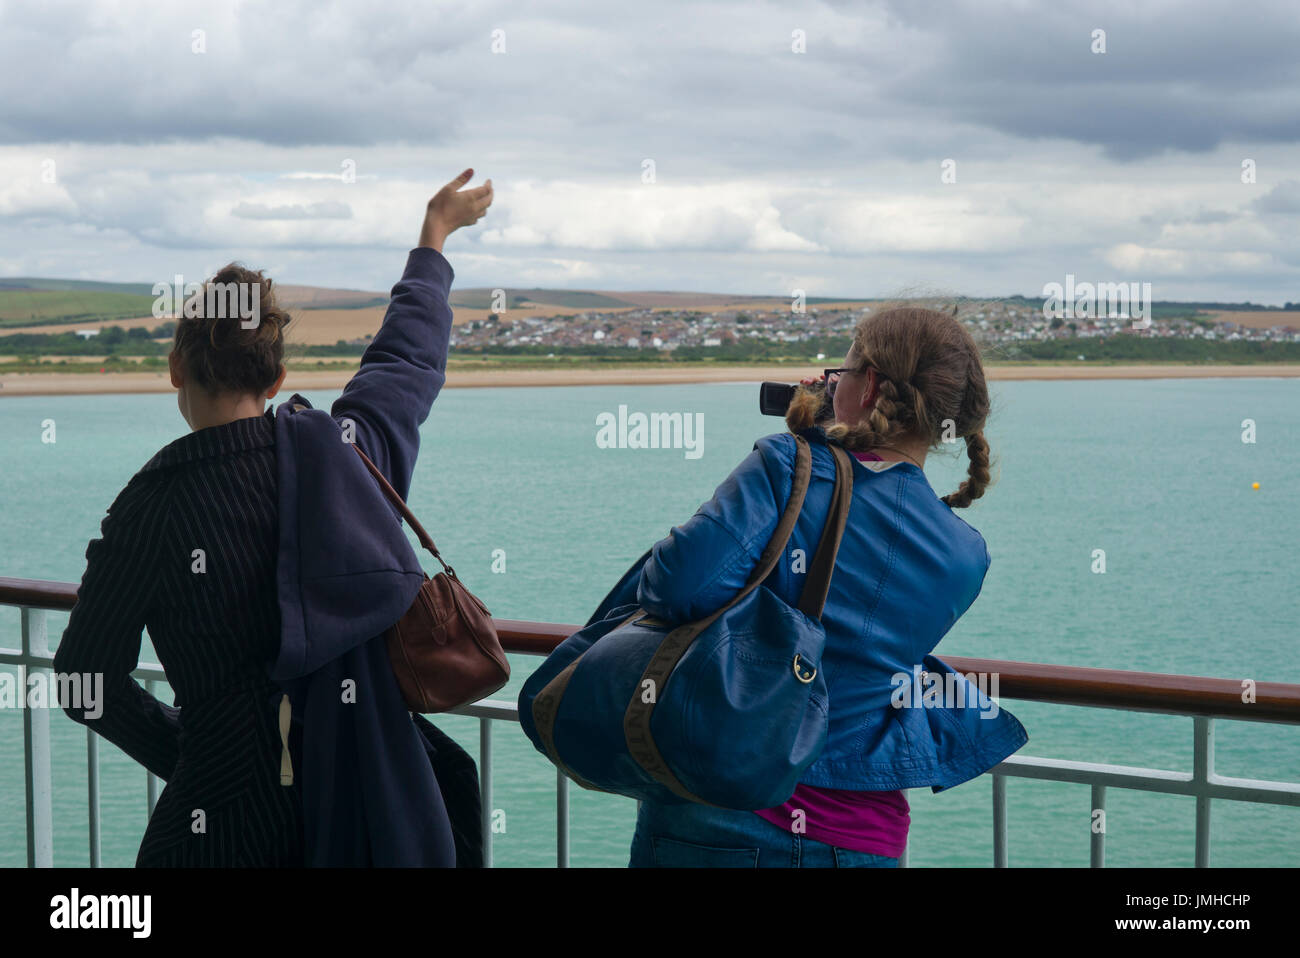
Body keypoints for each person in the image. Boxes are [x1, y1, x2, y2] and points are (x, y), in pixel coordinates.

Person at [54, 169, 493, 866]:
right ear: (277, 378)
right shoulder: (340, 463)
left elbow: (83, 679)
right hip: (356, 808)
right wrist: (432, 239)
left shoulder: (148, 507)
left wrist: (196, 754)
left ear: (176, 368)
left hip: (214, 828)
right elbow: (405, 365)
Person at [619, 304, 1028, 867]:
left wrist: (806, 446)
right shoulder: (966, 553)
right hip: (864, 836)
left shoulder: (787, 464)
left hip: (724, 810)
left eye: (844, 373)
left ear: (871, 387)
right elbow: (856, 627)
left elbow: (672, 585)